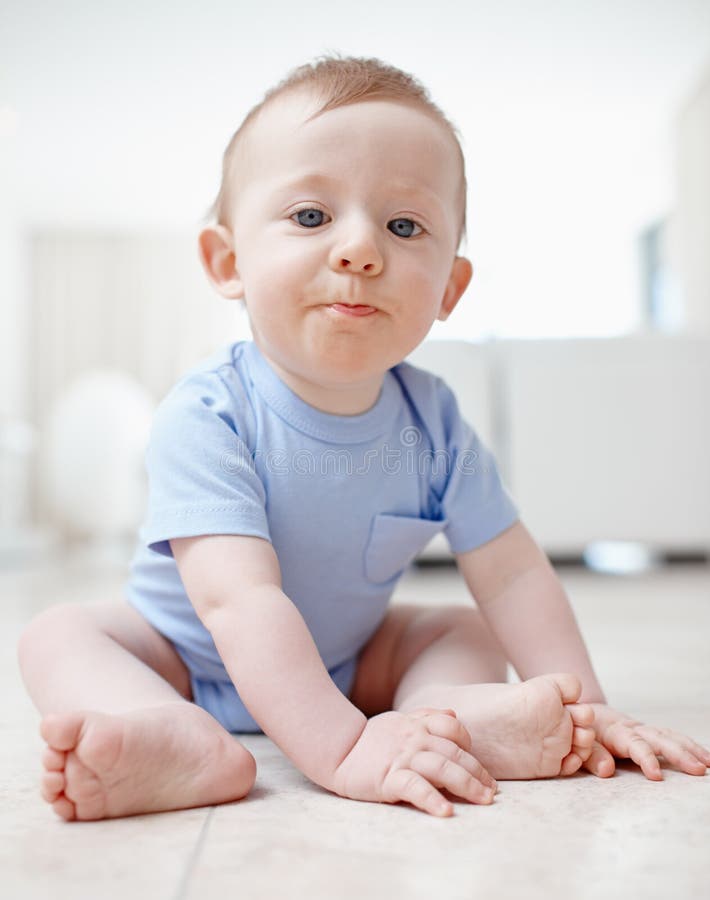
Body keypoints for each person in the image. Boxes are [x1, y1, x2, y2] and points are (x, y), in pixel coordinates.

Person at [18, 56, 709, 823]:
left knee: (460, 626)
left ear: (448, 287)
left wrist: (591, 712)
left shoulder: (433, 421)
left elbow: (513, 575)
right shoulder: (208, 414)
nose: (360, 250)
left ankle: (446, 712)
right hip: (179, 658)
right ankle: (171, 736)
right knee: (62, 634)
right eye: (311, 216)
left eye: (404, 225)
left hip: (350, 663)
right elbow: (238, 602)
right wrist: (342, 750)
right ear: (228, 262)